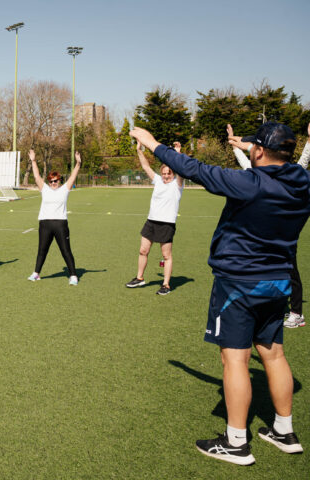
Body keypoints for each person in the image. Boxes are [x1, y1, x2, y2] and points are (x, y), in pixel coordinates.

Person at [131, 122, 309, 466]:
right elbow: (276, 162)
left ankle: (236, 442)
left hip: (239, 283)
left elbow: (193, 168)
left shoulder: (249, 183)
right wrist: (245, 144)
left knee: (235, 360)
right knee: (273, 355)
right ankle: (284, 432)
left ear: (258, 151)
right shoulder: (303, 183)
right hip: (278, 282)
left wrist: (152, 143)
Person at [228, 122, 310, 329]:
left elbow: (303, 160)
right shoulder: (255, 174)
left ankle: (296, 313)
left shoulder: (292, 175)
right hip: (261, 237)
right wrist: (235, 146)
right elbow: (246, 162)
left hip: (282, 236)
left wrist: (309, 140)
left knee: (291, 273)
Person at [124, 141, 185, 295]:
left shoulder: (177, 185)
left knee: (166, 255)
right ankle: (139, 278)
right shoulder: (157, 180)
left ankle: (166, 285)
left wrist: (177, 153)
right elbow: (145, 167)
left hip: (167, 224)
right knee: (143, 250)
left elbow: (181, 170)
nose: (165, 176)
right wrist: (139, 150)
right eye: (164, 173)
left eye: (168, 173)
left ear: (173, 173)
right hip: (151, 221)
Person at [27, 149, 82, 285]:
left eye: (55, 181)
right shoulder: (44, 189)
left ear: (59, 180)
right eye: (51, 181)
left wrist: (78, 164)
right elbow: (36, 176)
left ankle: (73, 275)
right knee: (42, 250)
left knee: (65, 250)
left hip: (60, 224)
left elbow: (73, 176)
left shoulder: (64, 189)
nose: (53, 183)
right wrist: (33, 161)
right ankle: (36, 273)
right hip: (45, 224)